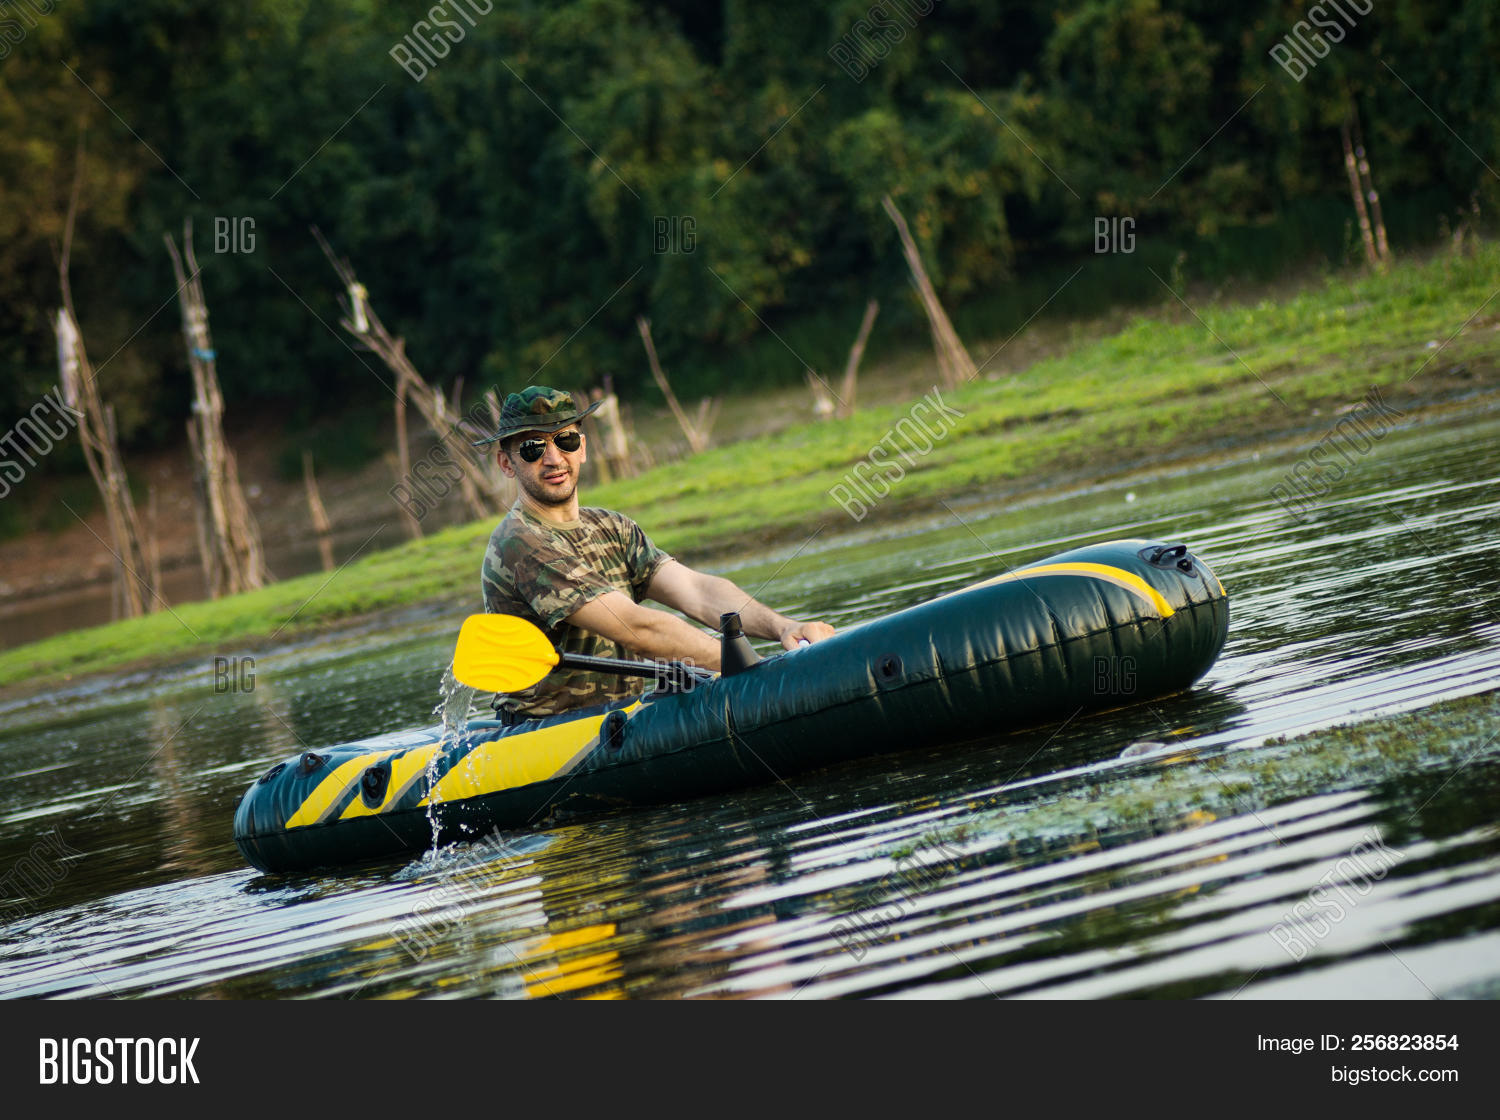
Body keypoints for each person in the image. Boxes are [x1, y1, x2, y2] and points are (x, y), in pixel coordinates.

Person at [474, 385, 835, 720]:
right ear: (507, 464)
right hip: (545, 730)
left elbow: (697, 591)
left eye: (565, 440)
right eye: (533, 448)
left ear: (581, 448)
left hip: (618, 717)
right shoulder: (518, 541)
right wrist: (753, 668)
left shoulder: (612, 527)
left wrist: (785, 627)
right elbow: (636, 629)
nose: (553, 459)